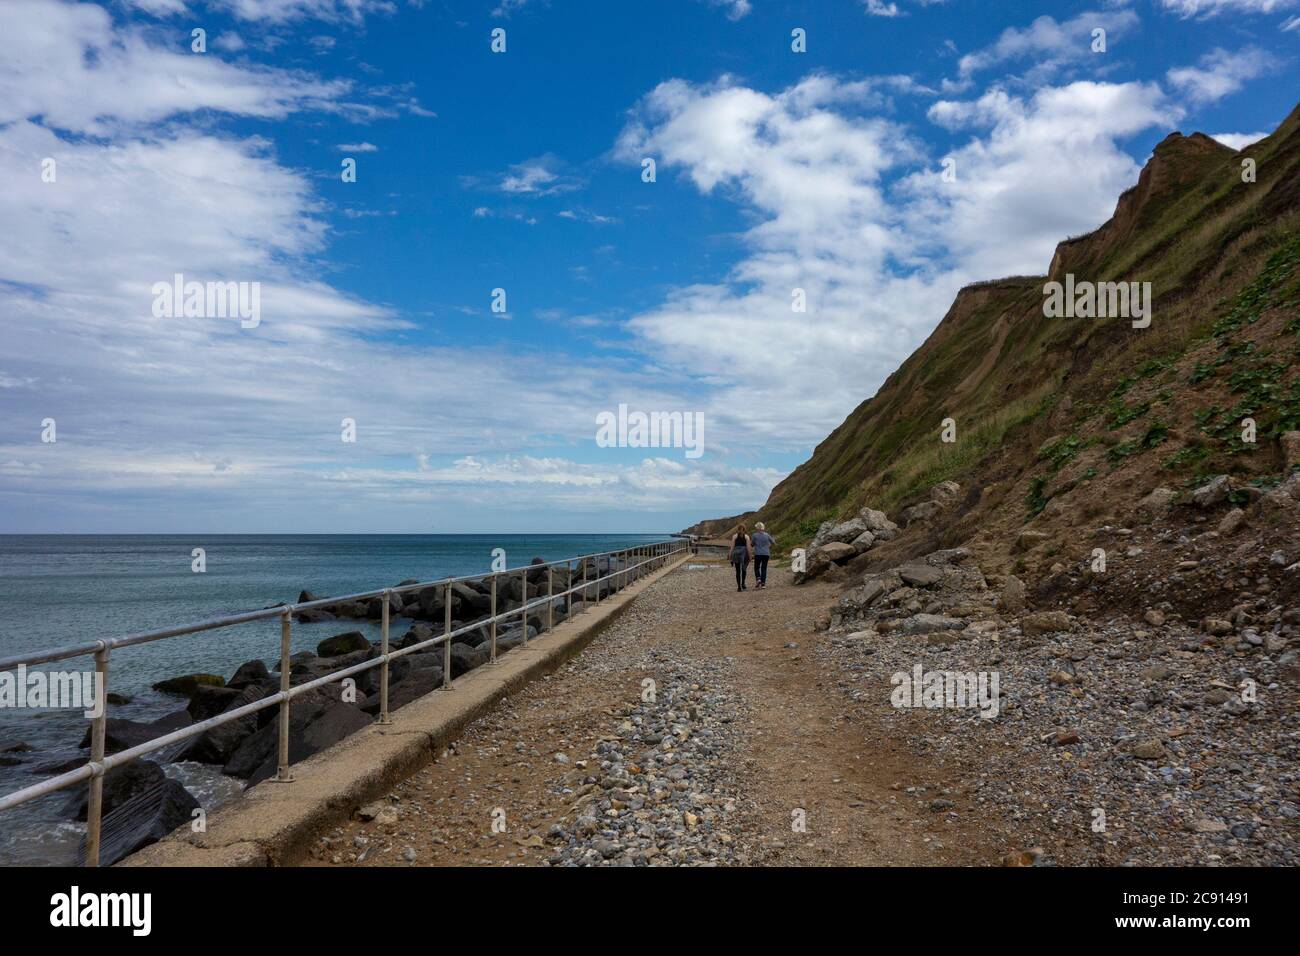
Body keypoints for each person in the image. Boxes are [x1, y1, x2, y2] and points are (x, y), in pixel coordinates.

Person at [751, 522, 774, 589]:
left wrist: (754, 544)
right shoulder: (767, 535)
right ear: (763, 528)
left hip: (758, 554)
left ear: (757, 528)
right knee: (764, 568)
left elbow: (752, 544)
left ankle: (758, 579)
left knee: (756, 567)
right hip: (766, 553)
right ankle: (763, 584)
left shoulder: (754, 535)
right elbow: (773, 542)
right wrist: (768, 546)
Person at [729, 524, 752, 591]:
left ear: (738, 529)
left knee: (738, 571)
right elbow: (748, 548)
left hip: (736, 554)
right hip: (744, 554)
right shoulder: (747, 537)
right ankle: (743, 584)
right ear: (744, 529)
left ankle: (739, 587)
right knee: (744, 569)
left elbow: (732, 547)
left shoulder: (734, 536)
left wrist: (730, 555)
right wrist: (750, 556)